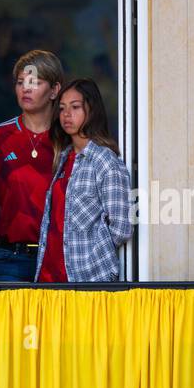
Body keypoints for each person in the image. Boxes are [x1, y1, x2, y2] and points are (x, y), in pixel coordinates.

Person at [0, 51, 64, 282]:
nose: (26, 88)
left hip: (61, 257)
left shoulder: (68, 138)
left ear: (54, 90)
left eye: (35, 82)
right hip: (10, 258)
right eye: (20, 82)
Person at [35, 78, 132, 283]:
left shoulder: (104, 161)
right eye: (61, 108)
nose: (66, 114)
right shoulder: (63, 158)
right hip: (48, 278)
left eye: (75, 107)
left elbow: (122, 227)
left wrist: (93, 258)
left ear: (92, 110)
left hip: (87, 280)